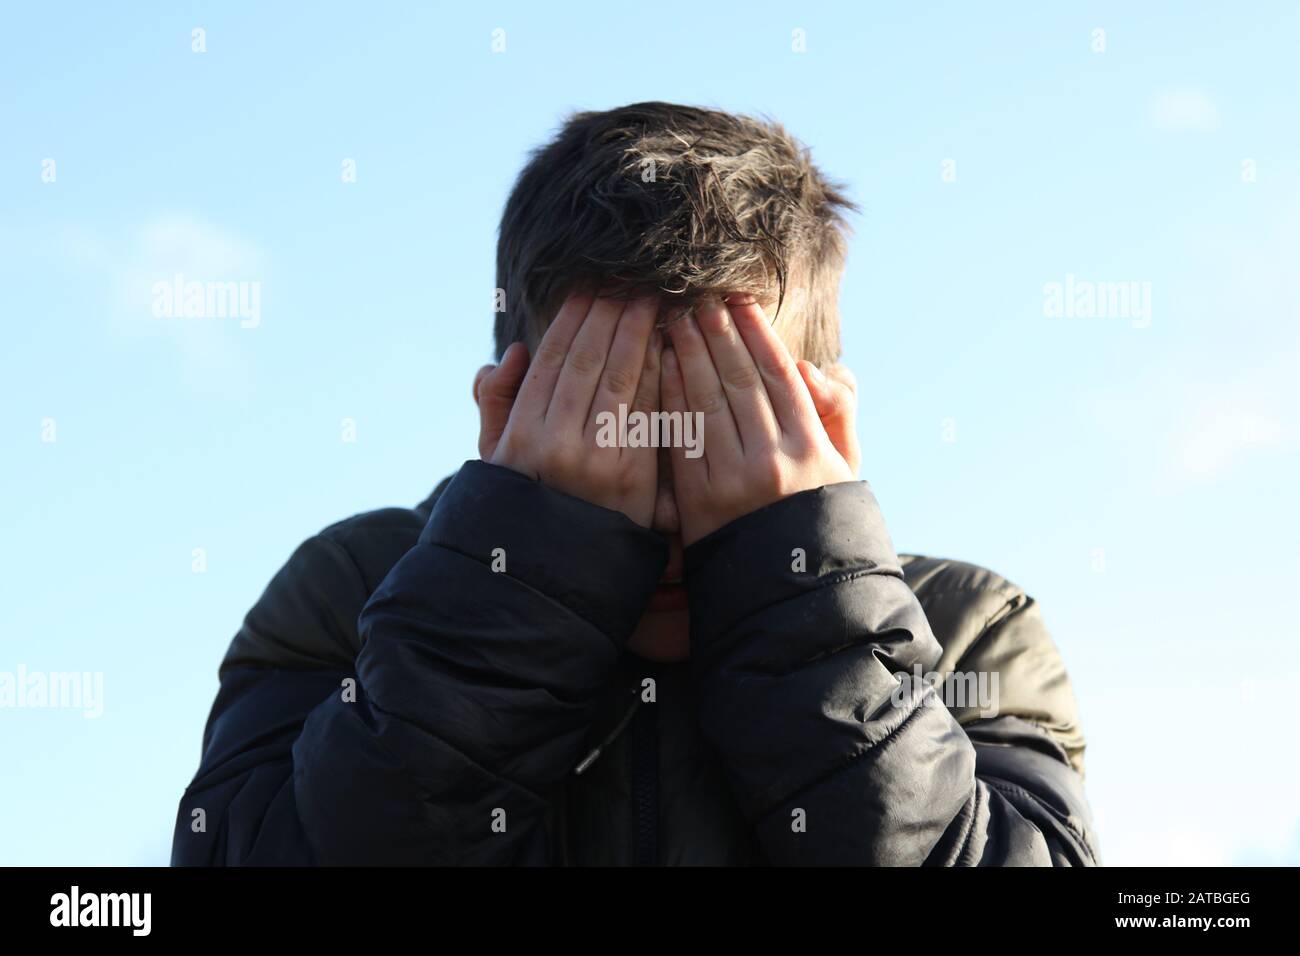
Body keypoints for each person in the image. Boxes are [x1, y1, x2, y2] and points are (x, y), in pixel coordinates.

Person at [172, 102, 1098, 866]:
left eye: (716, 435)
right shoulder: (352, 593)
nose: (659, 513)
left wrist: (807, 597)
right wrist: (518, 585)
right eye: (611, 430)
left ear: (826, 432)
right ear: (504, 418)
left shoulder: (969, 628)